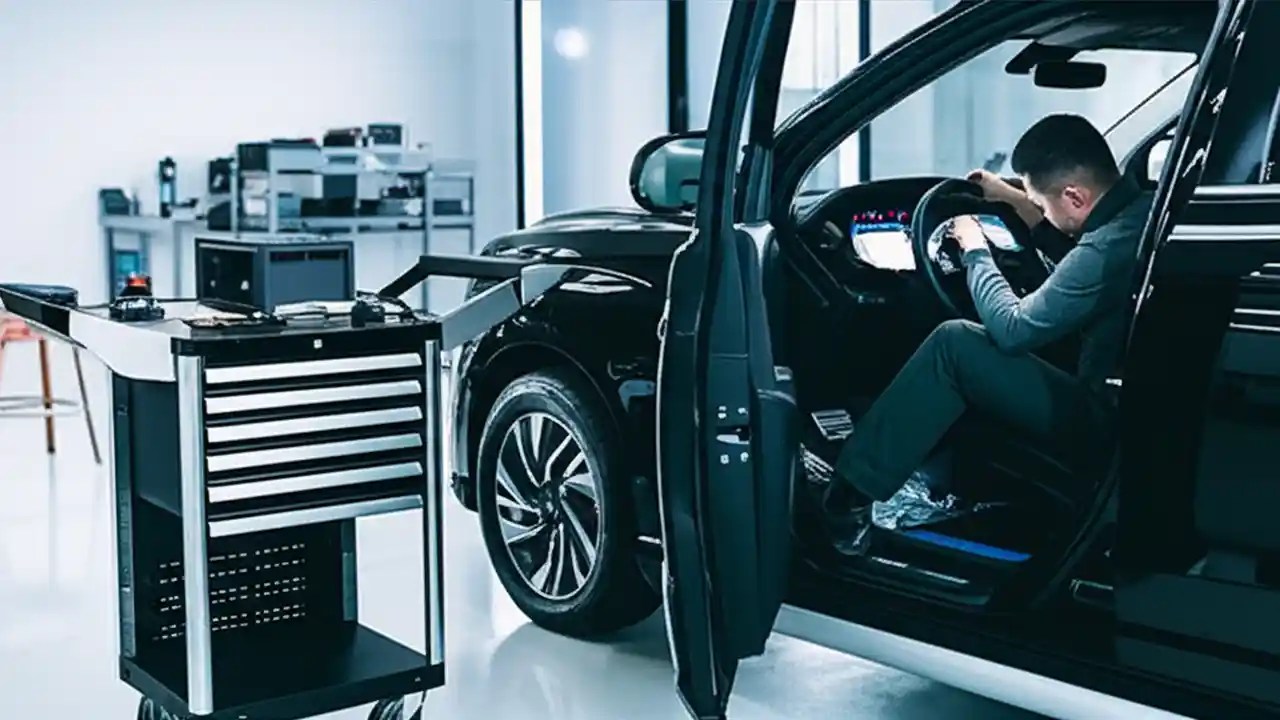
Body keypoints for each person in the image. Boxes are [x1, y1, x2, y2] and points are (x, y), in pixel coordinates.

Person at [821, 113, 1155, 555]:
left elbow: (1014, 329)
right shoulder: (1145, 210)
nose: (1040, 212)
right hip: (1142, 409)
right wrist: (1010, 196)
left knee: (954, 343)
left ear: (1075, 195)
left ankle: (846, 500)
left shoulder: (1104, 249)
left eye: (1041, 203)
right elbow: (1073, 242)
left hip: (1103, 423)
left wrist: (976, 250)